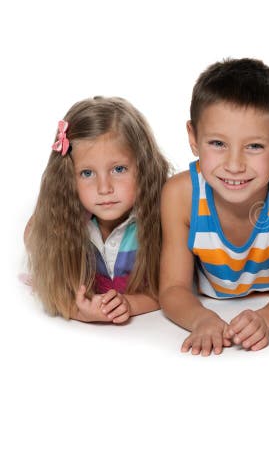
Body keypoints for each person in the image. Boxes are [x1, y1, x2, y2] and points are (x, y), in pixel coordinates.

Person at [159, 57, 269, 356]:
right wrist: (202, 318)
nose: (234, 165)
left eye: (254, 146)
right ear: (193, 138)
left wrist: (266, 318)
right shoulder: (179, 195)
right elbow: (173, 288)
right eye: (218, 144)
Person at [25, 96, 171, 322]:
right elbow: (52, 289)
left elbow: (173, 288)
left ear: (143, 167)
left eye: (119, 169)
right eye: (87, 173)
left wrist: (130, 304)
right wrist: (79, 312)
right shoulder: (64, 220)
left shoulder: (161, 217)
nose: (104, 188)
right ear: (68, 178)